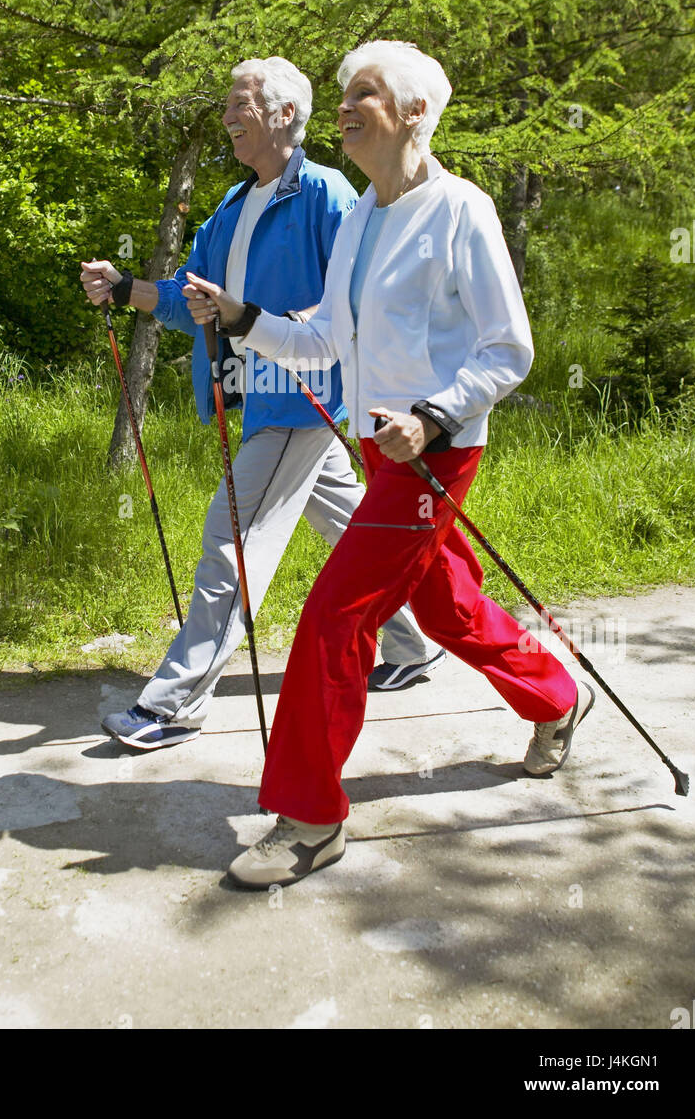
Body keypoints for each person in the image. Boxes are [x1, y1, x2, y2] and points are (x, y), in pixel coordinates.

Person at [183, 40, 594, 887]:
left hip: (435, 454)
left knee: (335, 618)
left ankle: (309, 817)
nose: (344, 106)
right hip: (380, 448)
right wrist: (241, 315)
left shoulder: (460, 209)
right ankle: (557, 696)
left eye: (362, 93)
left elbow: (506, 349)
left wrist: (435, 414)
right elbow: (323, 340)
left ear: (412, 112)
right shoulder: (365, 214)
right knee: (446, 606)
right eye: (341, 93)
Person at [80, 56, 445, 752]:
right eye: (226, 104)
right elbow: (195, 305)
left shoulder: (324, 193)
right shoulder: (229, 206)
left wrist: (289, 327)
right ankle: (412, 643)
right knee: (351, 529)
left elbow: (360, 291)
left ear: (284, 115)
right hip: (254, 402)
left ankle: (175, 704)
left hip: (303, 399)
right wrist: (126, 287)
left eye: (238, 102)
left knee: (231, 542)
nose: (226, 116)